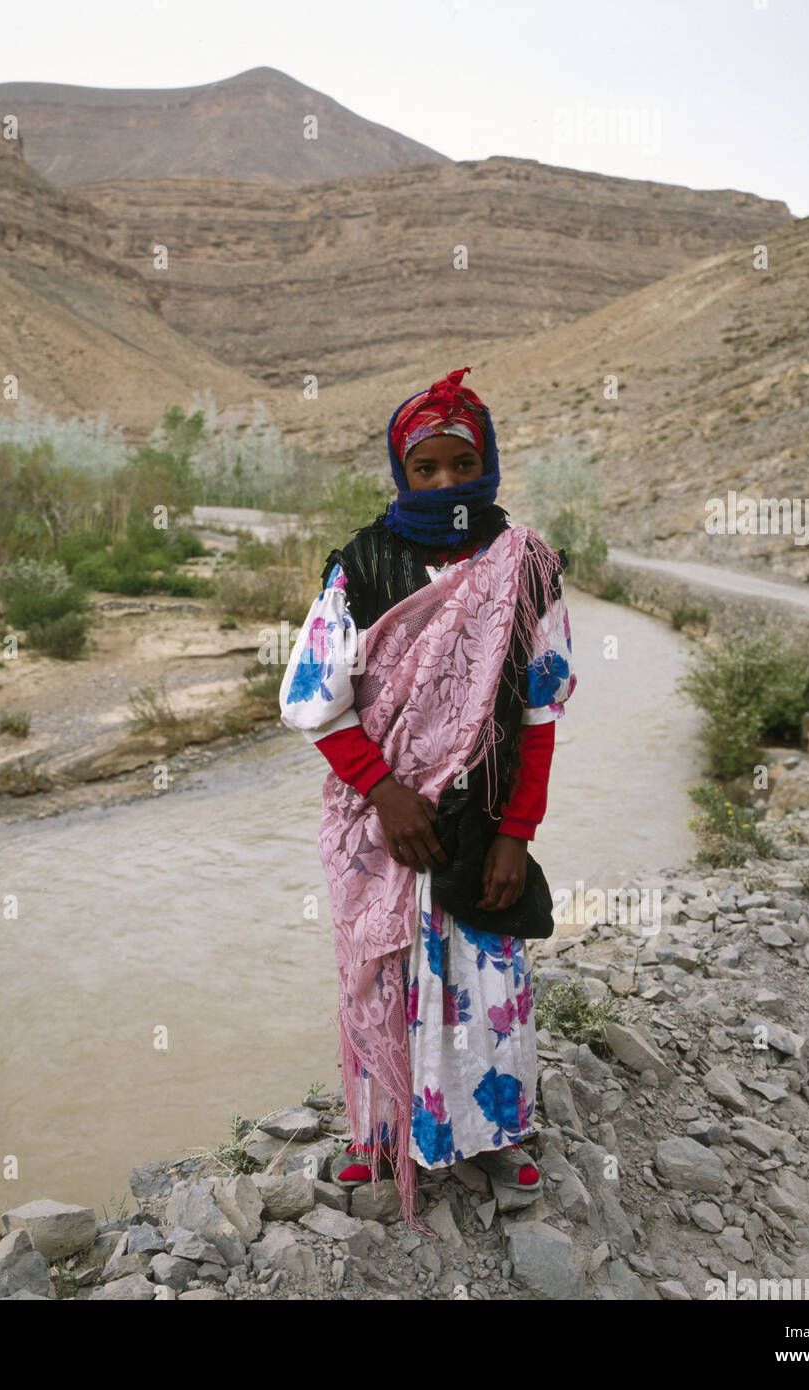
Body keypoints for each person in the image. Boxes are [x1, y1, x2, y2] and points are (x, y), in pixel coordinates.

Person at [278, 366, 577, 1235]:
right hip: (383, 823)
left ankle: (490, 1132)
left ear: (485, 462)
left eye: (460, 463)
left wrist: (514, 836)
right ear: (400, 476)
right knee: (381, 970)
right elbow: (311, 698)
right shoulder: (363, 563)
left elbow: (541, 712)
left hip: (482, 816)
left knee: (486, 973)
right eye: (425, 469)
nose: (445, 483)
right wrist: (383, 793)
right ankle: (380, 1129)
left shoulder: (524, 565)